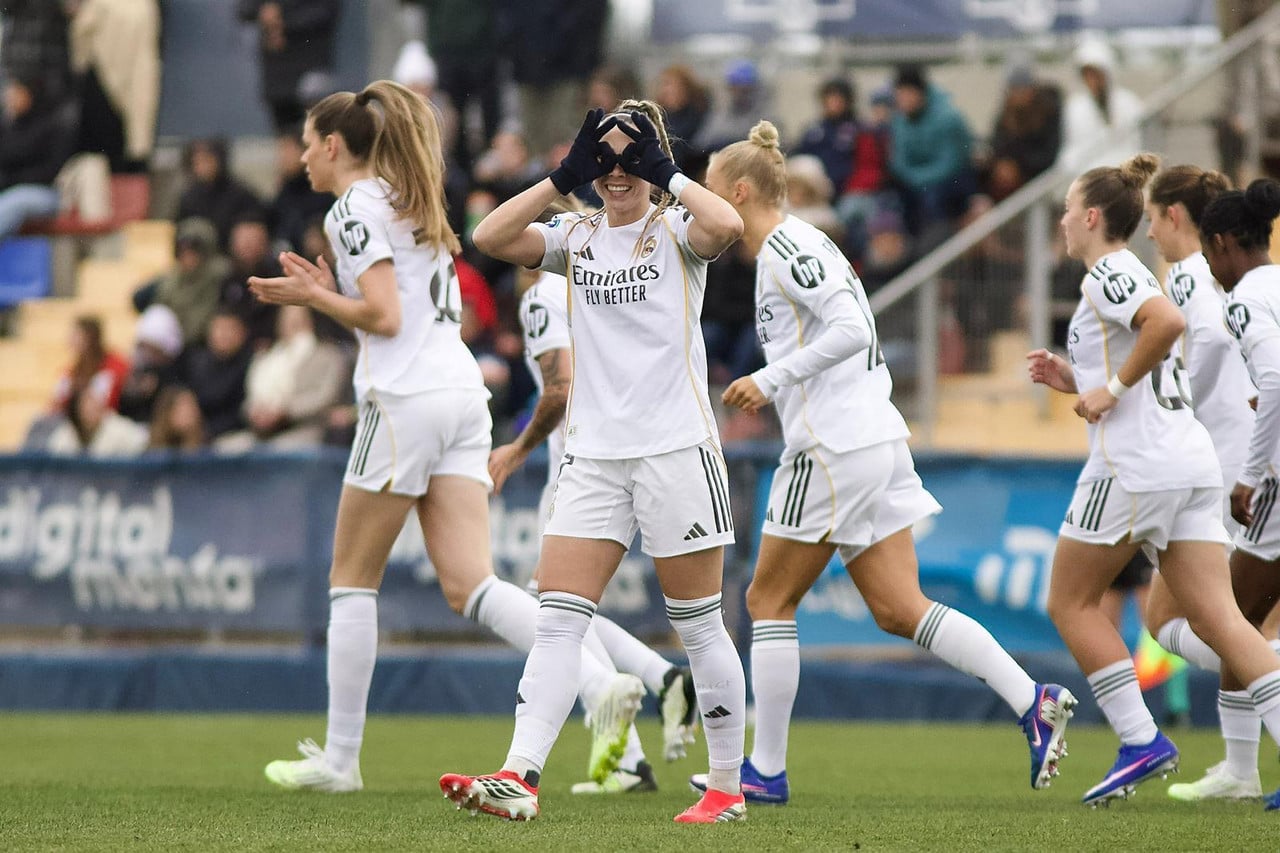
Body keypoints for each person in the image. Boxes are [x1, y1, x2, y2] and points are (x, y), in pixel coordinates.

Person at [251, 80, 648, 796]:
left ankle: (340, 758)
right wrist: (329, 295)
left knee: (350, 581)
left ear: (334, 145)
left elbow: (383, 315)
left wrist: (317, 298)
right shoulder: (409, 197)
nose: (302, 156)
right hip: (463, 394)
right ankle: (597, 685)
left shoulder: (354, 207)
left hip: (404, 397)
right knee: (471, 583)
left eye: (308, 142)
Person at [695, 120, 1076, 805]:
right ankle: (1033, 698)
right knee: (901, 608)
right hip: (871, 438)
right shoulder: (797, 247)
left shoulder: (787, 247)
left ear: (742, 190)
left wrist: (772, 378)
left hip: (834, 445)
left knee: (766, 598)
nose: (704, 203)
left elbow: (849, 326)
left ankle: (765, 770)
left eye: (711, 190)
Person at [440, 102, 748, 824]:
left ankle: (728, 786)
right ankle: (520, 775)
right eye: (604, 163)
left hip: (676, 447)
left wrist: (663, 169)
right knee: (557, 620)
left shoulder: (675, 229)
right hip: (594, 456)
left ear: (653, 163)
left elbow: (728, 225)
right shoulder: (574, 235)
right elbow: (487, 235)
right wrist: (562, 175)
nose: (615, 176)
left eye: (627, 161)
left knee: (698, 623)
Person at [1027, 155, 1280, 807]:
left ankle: (1140, 738)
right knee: (1225, 623)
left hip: (1138, 463)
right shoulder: (1140, 271)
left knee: (1070, 602)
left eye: (1066, 208)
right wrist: (1076, 380)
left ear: (1089, 217)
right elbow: (1156, 346)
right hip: (1192, 459)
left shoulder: (1111, 270)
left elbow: (1164, 328)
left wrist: (1107, 390)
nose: (1059, 220)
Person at [488, 198, 702, 793]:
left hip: (583, 464)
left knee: (553, 609)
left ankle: (616, 700)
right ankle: (646, 721)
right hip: (634, 449)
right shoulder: (609, 267)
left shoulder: (543, 293)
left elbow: (559, 386)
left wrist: (517, 447)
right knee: (566, 609)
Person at [1138, 163, 1277, 800]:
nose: (1149, 234)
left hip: (1234, 473)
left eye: (1152, 218)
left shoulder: (1207, 285)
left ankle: (1247, 749)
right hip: (1237, 463)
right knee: (1233, 619)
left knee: (1202, 619)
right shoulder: (1258, 284)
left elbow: (1261, 376)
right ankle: (1241, 770)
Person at [1202, 178, 1280, 810]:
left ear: (1224, 243)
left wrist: (1250, 474)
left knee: (1231, 617)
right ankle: (1238, 772)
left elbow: (1277, 379)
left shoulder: (1245, 300)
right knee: (1239, 619)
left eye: (1209, 253)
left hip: (1278, 478)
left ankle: (1240, 768)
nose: (1209, 267)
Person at [1057, 37, 1143, 173]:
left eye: (1096, 74)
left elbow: (1137, 143)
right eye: (1087, 75)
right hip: (1090, 178)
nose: (1092, 80)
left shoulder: (1128, 102)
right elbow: (1073, 148)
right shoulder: (1075, 107)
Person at [50, 315, 130, 413]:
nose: (70, 340)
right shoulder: (72, 371)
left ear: (90, 337)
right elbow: (55, 404)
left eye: (76, 335)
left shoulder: (114, 365)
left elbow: (108, 403)